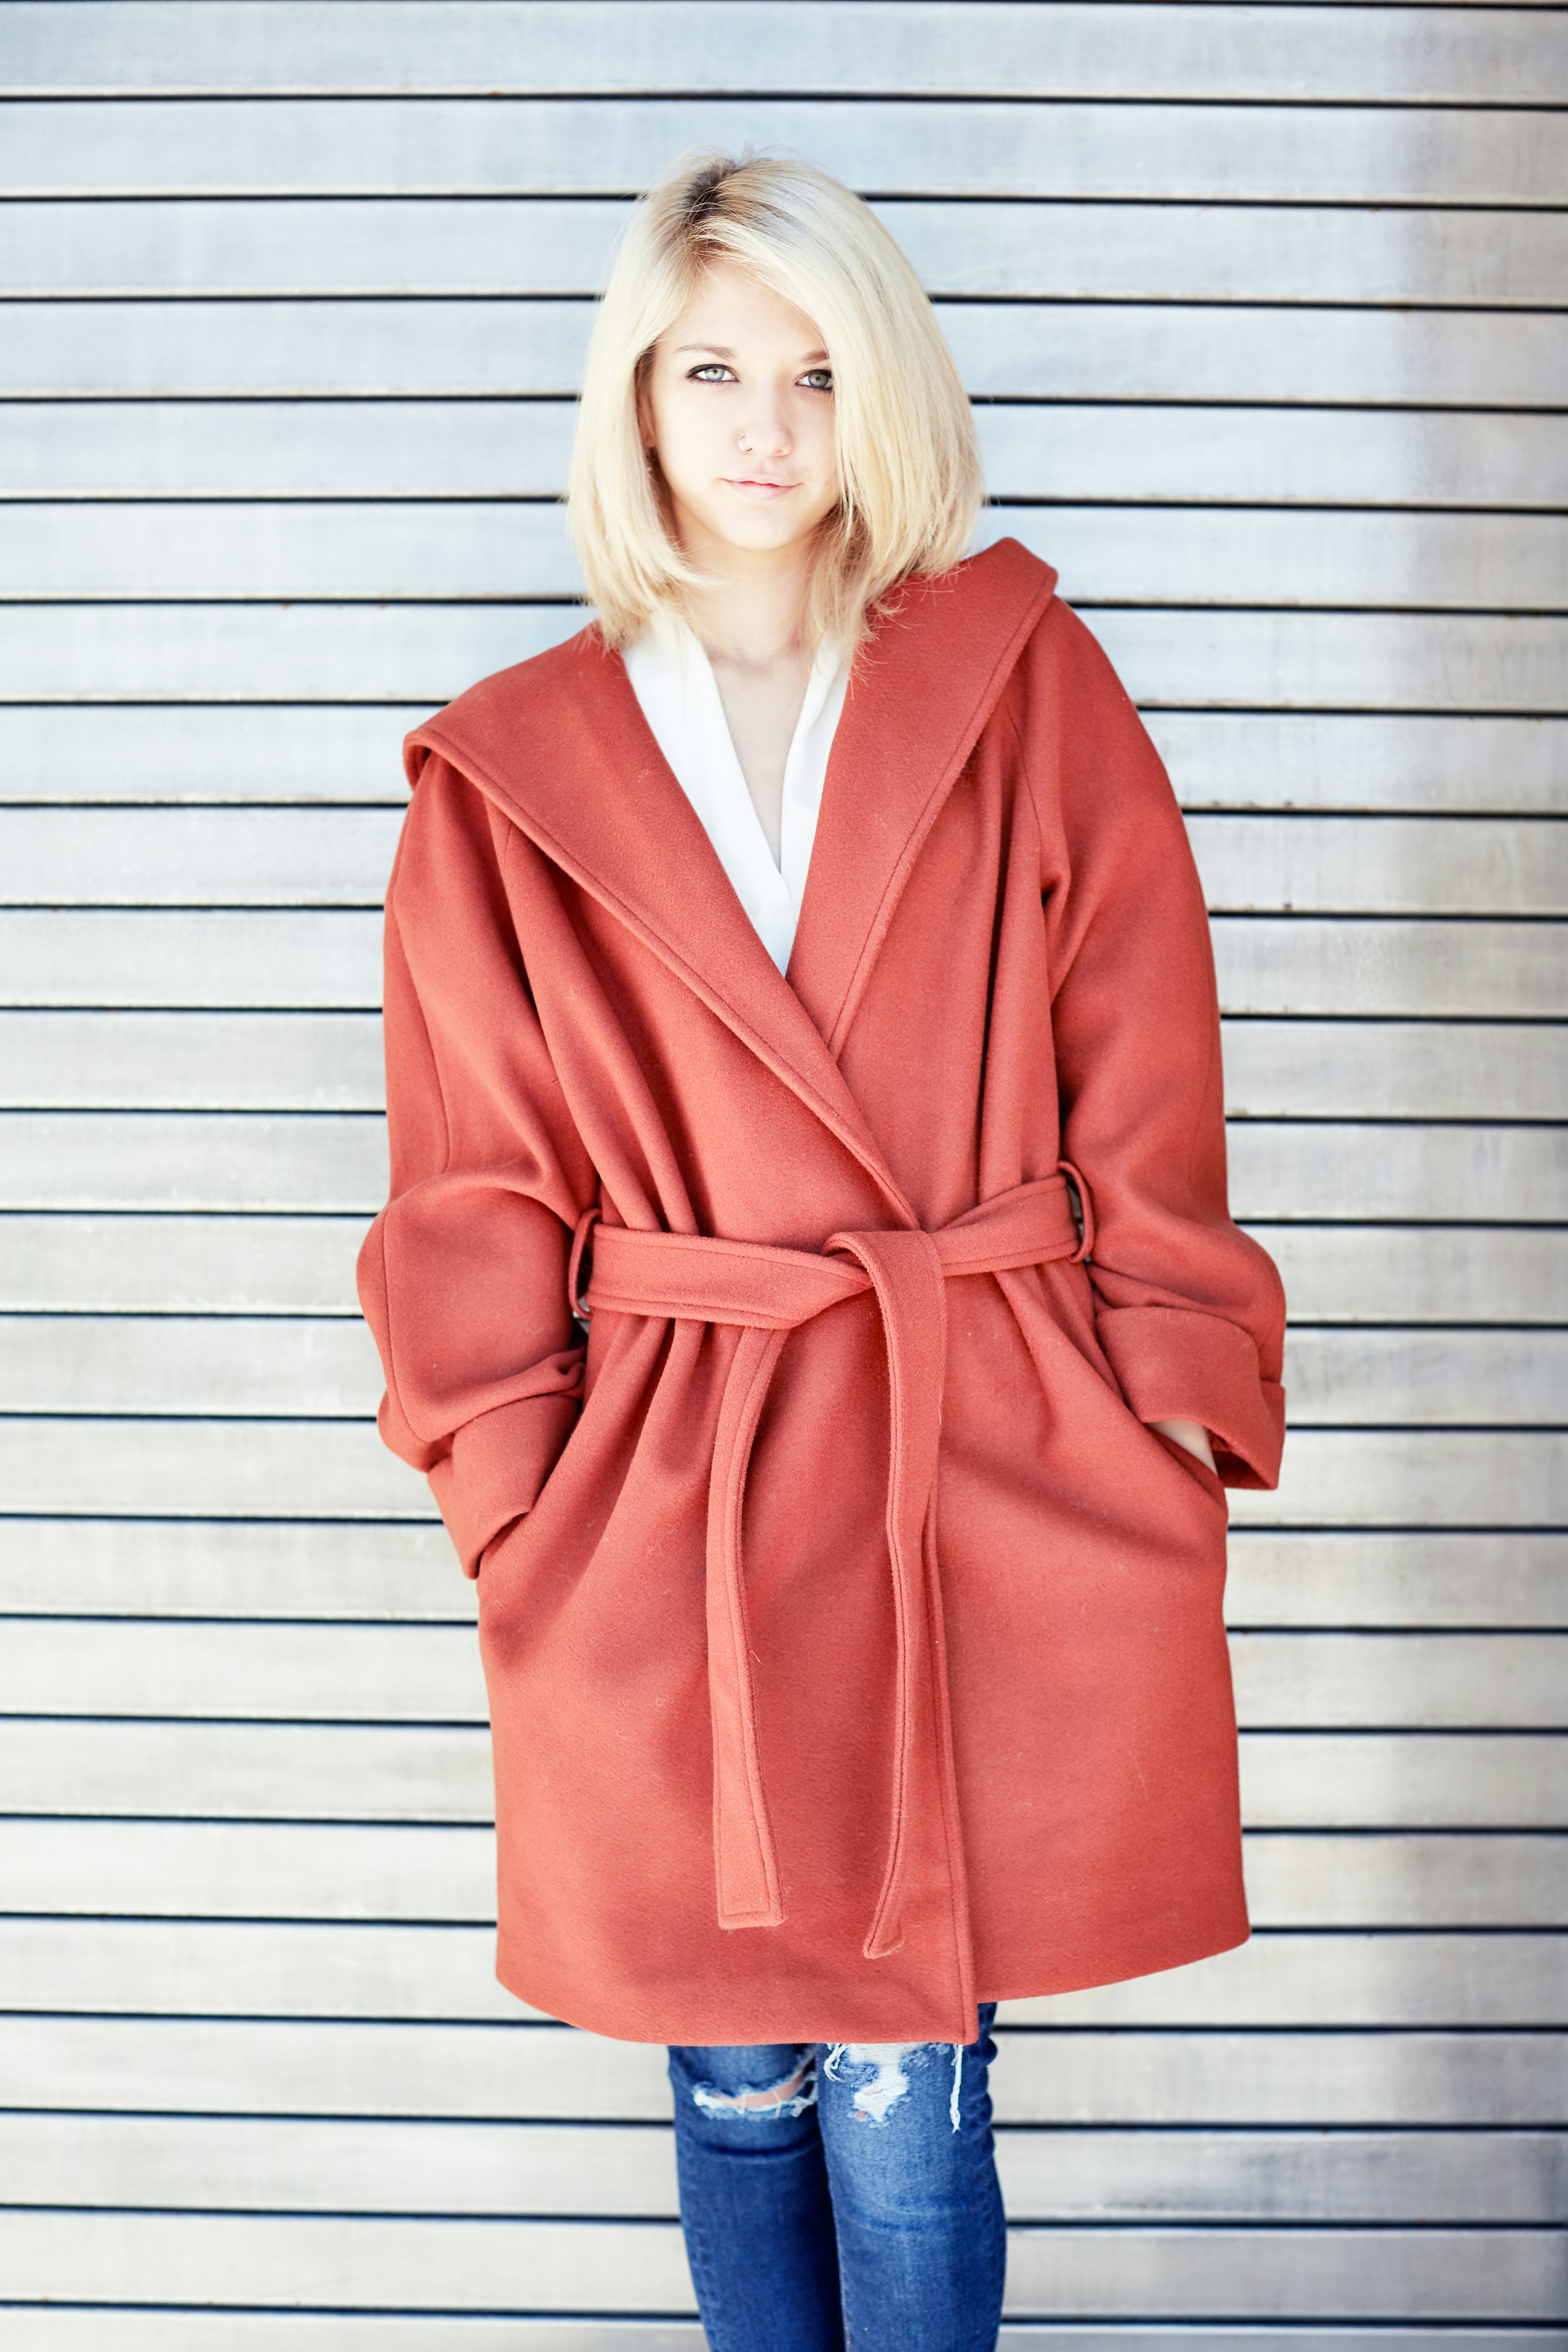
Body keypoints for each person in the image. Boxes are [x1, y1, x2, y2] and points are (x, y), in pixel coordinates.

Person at [359, 152, 1286, 2352]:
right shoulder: (510, 773)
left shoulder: (1024, 686)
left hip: (980, 1450)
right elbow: (469, 1175)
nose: (764, 427)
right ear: (636, 396)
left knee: (913, 2087)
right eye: (710, 372)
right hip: (662, 1489)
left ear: (885, 395)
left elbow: (1145, 1058)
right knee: (731, 2080)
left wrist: (1163, 1396)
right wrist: (513, 1497)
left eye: (815, 373)